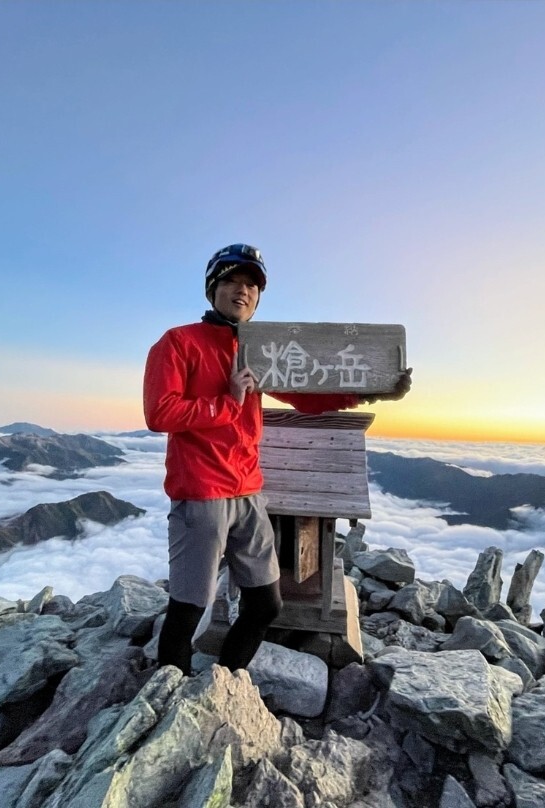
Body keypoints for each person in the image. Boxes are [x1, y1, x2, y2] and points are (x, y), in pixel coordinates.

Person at [143, 243, 410, 675]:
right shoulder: (178, 342)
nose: (242, 290)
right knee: (191, 605)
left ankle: (224, 683)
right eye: (231, 280)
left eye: (252, 284)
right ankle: (165, 692)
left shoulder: (259, 348)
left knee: (266, 602)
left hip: (248, 490)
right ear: (213, 287)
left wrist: (370, 391)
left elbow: (303, 394)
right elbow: (160, 413)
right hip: (201, 493)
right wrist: (229, 402)